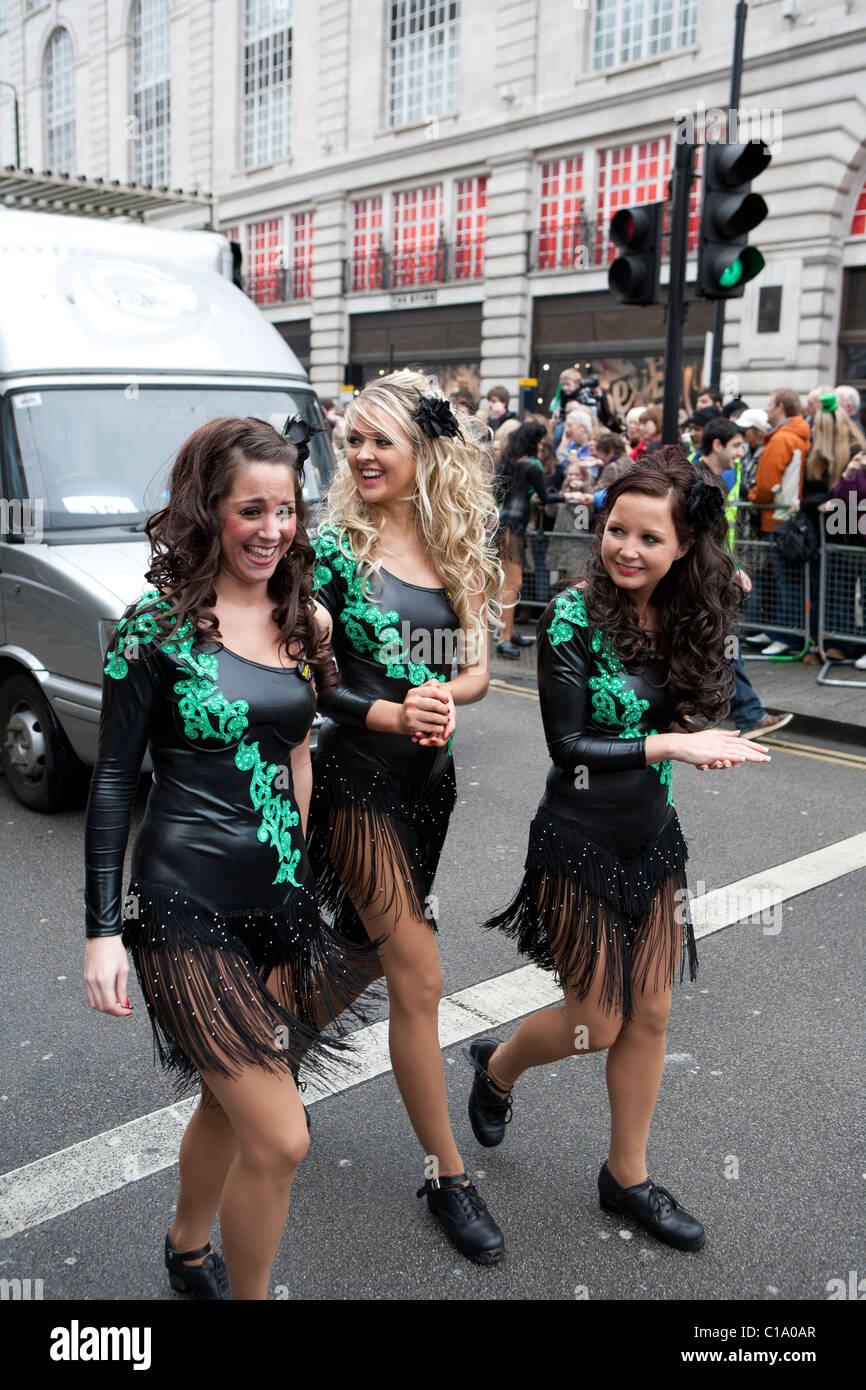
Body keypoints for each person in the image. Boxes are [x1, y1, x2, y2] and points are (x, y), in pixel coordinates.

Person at [83, 416, 376, 1301]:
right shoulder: (154, 630)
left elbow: (296, 752)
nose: (272, 530)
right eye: (251, 510)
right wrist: (102, 933)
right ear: (208, 511)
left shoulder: (302, 617)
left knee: (229, 1096)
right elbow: (109, 785)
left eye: (285, 510)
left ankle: (184, 1247)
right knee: (282, 1138)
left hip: (279, 907)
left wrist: (307, 873)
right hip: (183, 909)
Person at [466, 449, 771, 1252]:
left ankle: (626, 1178)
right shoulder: (571, 618)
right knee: (597, 1021)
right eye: (615, 531)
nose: (626, 549)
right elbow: (568, 747)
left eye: (649, 538)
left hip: (653, 842)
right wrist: (672, 744)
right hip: (579, 841)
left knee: (654, 1013)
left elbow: (718, 698)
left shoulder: (684, 612)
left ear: (682, 550)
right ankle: (497, 1068)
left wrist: (717, 609)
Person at [305, 369, 507, 1265]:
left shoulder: (456, 546)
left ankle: (260, 1044)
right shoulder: (335, 550)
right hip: (357, 784)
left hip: (433, 785)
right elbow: (317, 679)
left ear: (426, 451)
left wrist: (442, 694)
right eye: (353, 439)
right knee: (418, 972)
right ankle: (447, 1175)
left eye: (381, 439)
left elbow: (476, 672)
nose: (362, 454)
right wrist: (389, 711)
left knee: (360, 954)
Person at [699, 419, 793, 738]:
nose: (741, 452)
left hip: (710, 574)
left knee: (720, 640)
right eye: (737, 445)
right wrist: (729, 567)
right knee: (722, 640)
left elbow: (716, 536)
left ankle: (743, 713)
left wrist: (730, 566)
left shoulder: (717, 480)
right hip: (701, 577)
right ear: (717, 445)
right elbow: (702, 537)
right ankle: (747, 714)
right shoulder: (701, 481)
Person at [795, 394, 865, 659]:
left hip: (849, 529)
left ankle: (844, 644)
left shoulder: (854, 449)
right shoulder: (818, 452)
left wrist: (805, 504)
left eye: (816, 424)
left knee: (843, 589)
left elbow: (842, 494)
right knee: (824, 588)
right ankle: (822, 642)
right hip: (824, 529)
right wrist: (810, 504)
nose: (811, 428)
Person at [494, 418, 566, 655]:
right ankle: (504, 636)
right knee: (513, 583)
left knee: (510, 582)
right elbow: (545, 497)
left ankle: (510, 632)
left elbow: (498, 493)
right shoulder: (532, 465)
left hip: (505, 523)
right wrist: (566, 496)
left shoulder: (508, 461)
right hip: (514, 527)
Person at [748, 389, 811, 655]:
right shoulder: (796, 435)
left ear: (781, 408)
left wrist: (752, 495)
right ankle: (779, 631)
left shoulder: (782, 439)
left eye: (770, 404)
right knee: (785, 581)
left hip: (778, 518)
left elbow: (766, 485)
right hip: (785, 518)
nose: (767, 408)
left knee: (786, 581)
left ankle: (786, 635)